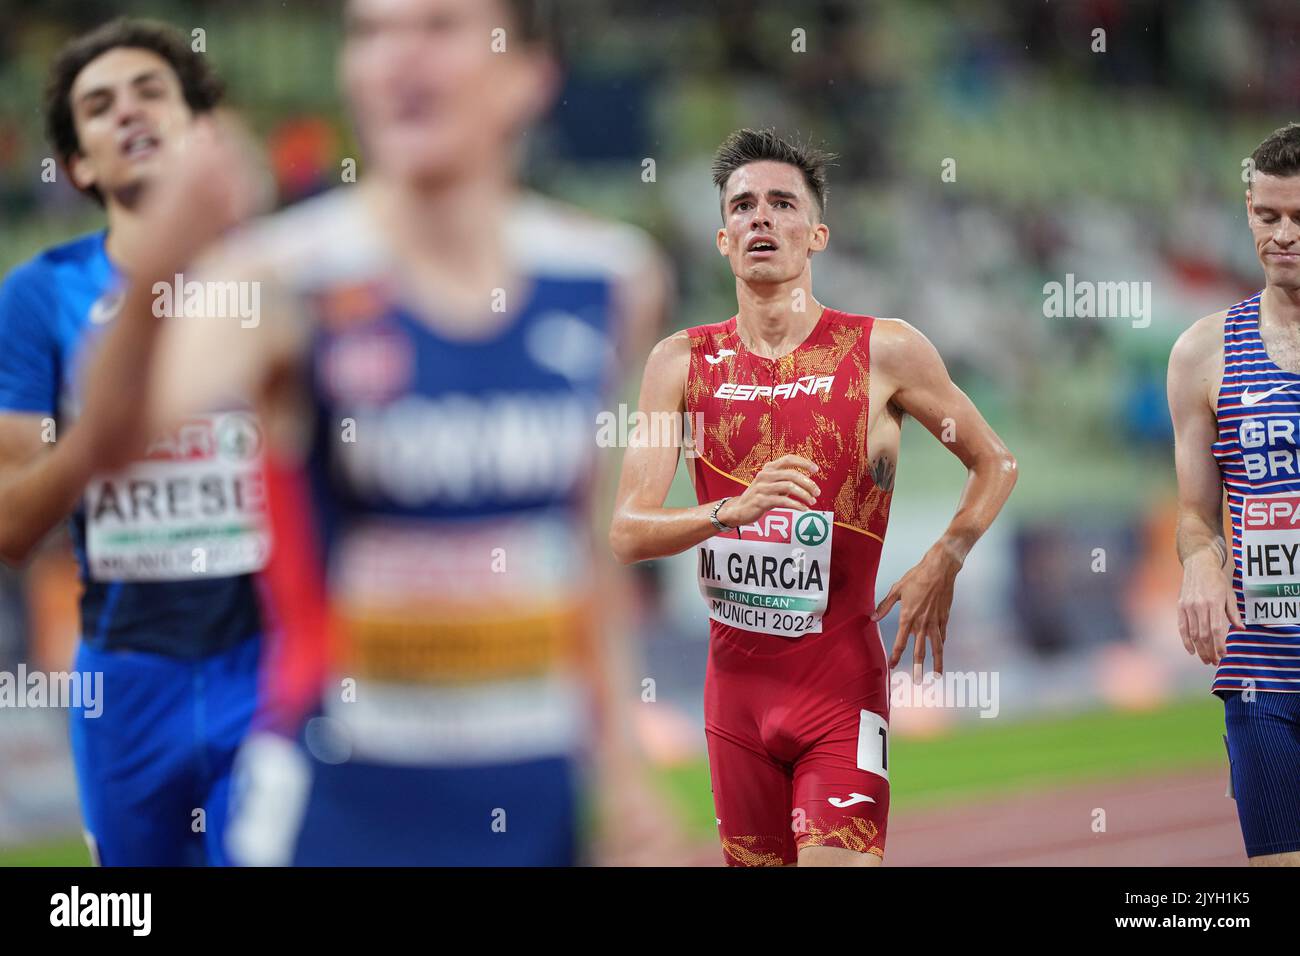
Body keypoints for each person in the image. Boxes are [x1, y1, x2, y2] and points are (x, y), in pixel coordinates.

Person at [77, 0, 676, 865]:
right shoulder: (284, 281)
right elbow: (104, 451)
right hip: (340, 805)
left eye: (437, 27)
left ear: (527, 75)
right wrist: (163, 264)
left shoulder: (608, 280)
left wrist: (622, 769)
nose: (398, 58)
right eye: (372, 32)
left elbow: (583, 551)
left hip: (535, 801)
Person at [609, 127, 1018, 866]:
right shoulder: (679, 362)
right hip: (733, 700)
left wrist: (944, 558)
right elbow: (627, 532)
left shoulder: (884, 351)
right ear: (723, 239)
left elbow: (996, 463)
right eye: (742, 206)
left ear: (817, 233)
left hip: (840, 690)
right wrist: (729, 510)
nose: (759, 217)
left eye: (780, 203)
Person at [0, 19, 266, 866]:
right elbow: (10, 526)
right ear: (78, 164)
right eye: (99, 107)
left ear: (204, 130)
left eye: (152, 91)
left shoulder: (284, 280)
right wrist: (102, 439)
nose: (129, 113)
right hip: (124, 677)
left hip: (269, 663)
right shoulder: (40, 297)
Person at [1168, 121, 1300, 867]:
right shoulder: (1202, 352)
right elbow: (1194, 512)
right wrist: (1199, 563)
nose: (1282, 235)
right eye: (1267, 215)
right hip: (1263, 672)